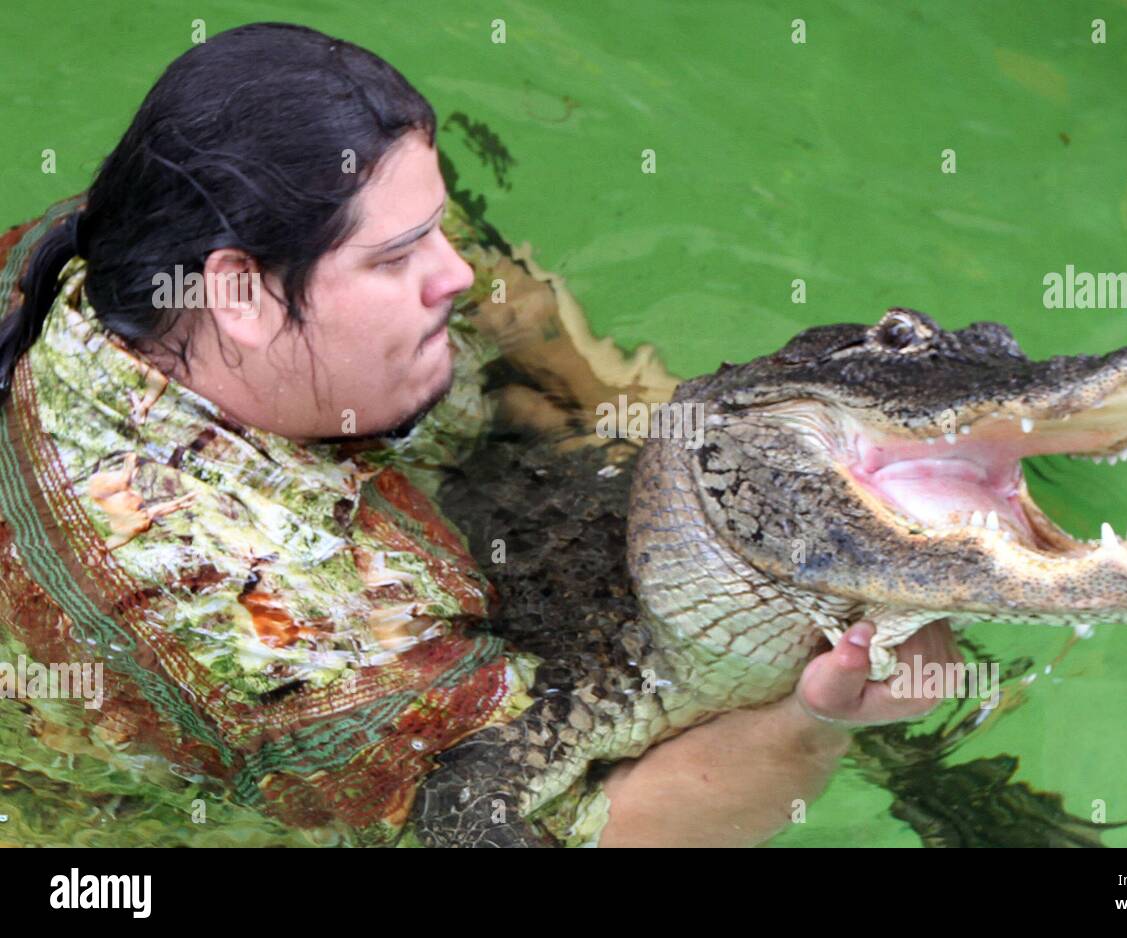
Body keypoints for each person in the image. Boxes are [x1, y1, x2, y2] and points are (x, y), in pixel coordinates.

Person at [0, 22, 963, 848]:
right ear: (241, 295)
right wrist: (812, 722)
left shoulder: (135, 240)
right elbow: (592, 830)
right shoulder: (285, 639)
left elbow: (521, 315)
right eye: (399, 256)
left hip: (407, 487)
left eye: (436, 225)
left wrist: (678, 440)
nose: (456, 273)